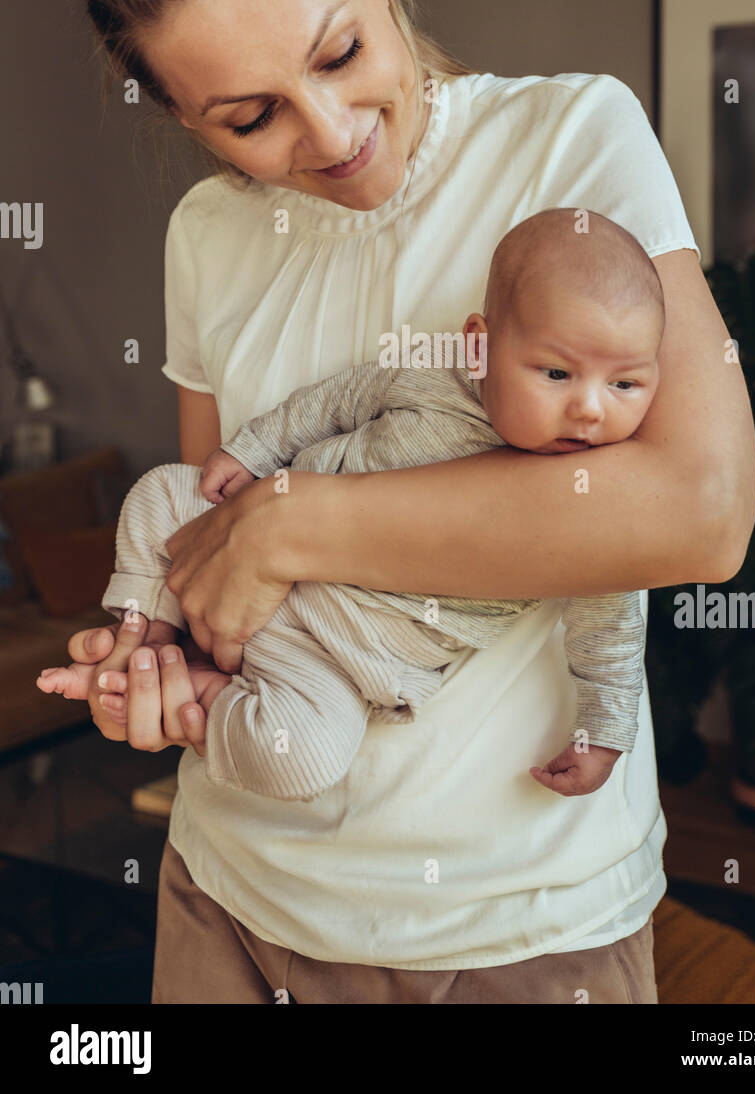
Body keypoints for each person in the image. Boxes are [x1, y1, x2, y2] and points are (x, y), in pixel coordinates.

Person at [61, 0, 755, 1004]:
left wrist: (288, 521)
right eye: (248, 117)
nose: (328, 132)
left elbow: (695, 510)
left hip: (511, 934)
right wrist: (165, 668)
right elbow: (210, 556)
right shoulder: (204, 237)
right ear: (180, 115)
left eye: (336, 54)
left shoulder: (568, 136)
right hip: (226, 894)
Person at [40, 207, 663, 803]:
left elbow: (612, 629)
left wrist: (603, 731)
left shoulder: (591, 506)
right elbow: (332, 403)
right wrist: (254, 450)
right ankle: (141, 630)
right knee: (163, 492)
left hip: (337, 654)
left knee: (303, 756)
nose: (590, 409)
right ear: (479, 347)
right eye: (556, 373)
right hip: (239, 568)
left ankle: (199, 692)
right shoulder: (430, 381)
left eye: (625, 384)